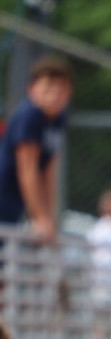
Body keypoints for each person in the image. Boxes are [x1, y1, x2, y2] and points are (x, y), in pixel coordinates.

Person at [0, 55, 73, 240]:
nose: (54, 95)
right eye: (48, 88)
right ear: (32, 90)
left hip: (12, 203)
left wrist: (49, 218)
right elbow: (27, 170)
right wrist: (40, 218)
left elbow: (48, 171)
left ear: (69, 92)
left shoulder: (57, 120)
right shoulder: (30, 116)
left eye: (61, 89)